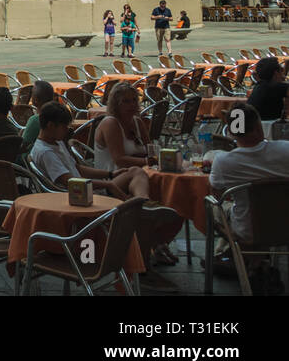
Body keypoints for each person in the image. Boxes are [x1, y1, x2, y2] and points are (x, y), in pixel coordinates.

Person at [30, 101, 182, 274]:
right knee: (137, 181)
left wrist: (110, 175)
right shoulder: (46, 152)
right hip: (80, 198)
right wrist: (108, 183)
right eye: (64, 127)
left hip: (87, 190)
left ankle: (142, 205)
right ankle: (143, 207)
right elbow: (72, 183)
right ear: (51, 125)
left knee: (135, 172)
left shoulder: (56, 144)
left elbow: (78, 169)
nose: (67, 130)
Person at [210, 104, 289, 251]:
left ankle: (230, 254)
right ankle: (253, 261)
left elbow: (216, 195)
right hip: (285, 228)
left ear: (231, 132)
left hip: (248, 232)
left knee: (216, 207)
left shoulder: (223, 162)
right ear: (259, 127)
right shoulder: (286, 150)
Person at [246, 56, 289, 123]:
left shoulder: (258, 87)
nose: (283, 74)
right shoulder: (277, 87)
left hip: (253, 127)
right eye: (281, 70)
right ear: (276, 73)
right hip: (268, 130)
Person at [21, 80, 56, 155]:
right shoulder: (57, 116)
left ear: (36, 100)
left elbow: (23, 145)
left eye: (32, 93)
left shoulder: (35, 120)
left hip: (32, 159)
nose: (30, 95)